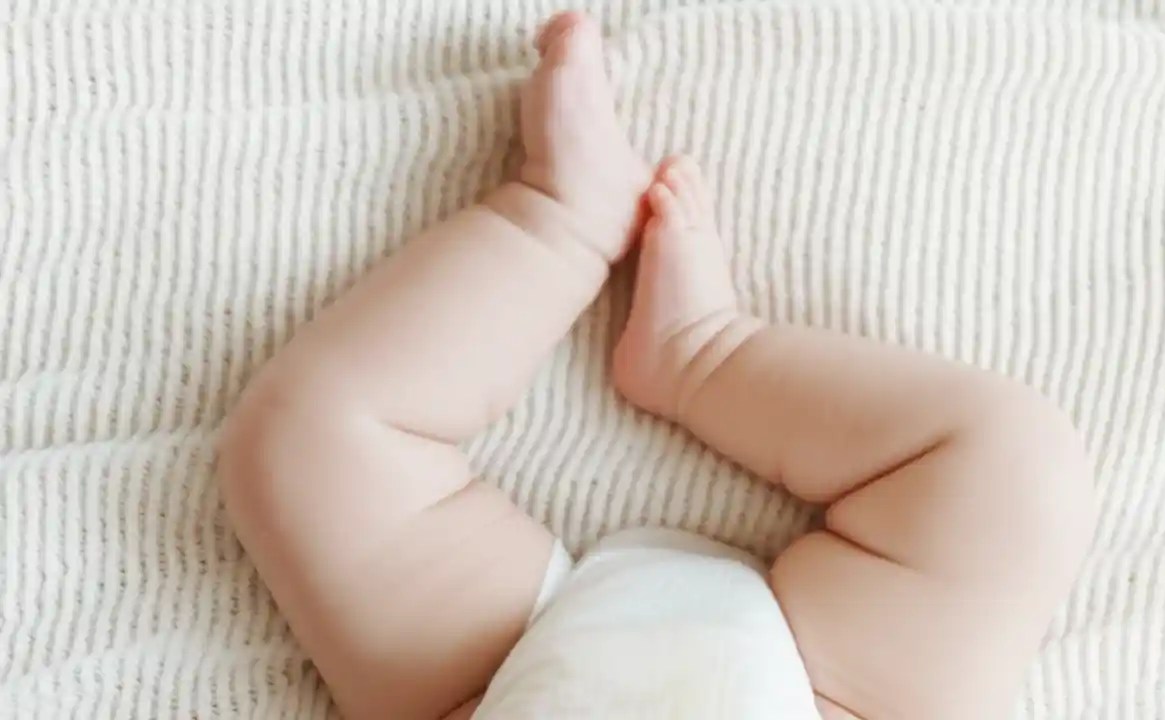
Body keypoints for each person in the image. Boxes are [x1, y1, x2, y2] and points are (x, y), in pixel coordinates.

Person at [217, 11, 1096, 720]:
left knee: (310, 443)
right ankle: (700, 350)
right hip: (834, 696)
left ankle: (558, 221)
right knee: (1012, 471)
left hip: (487, 682)